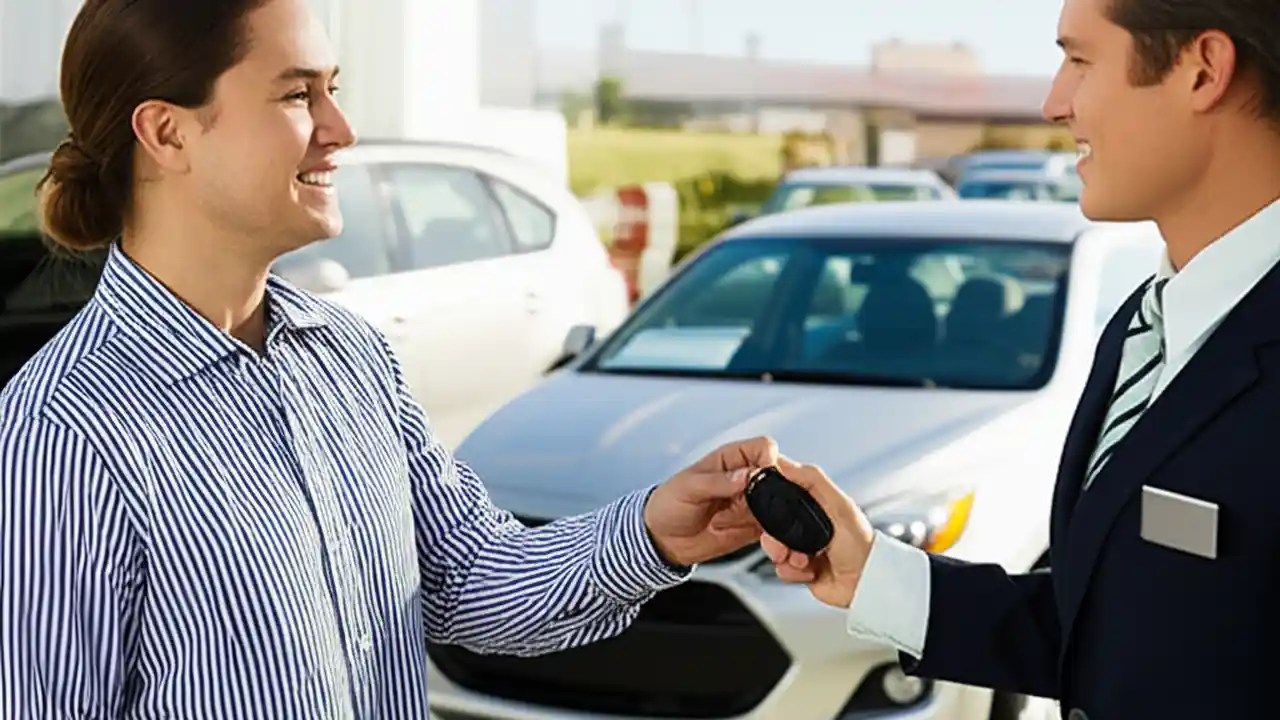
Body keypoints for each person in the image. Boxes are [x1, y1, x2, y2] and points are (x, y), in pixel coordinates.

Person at [0, 0, 778, 716]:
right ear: (168, 134)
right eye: (298, 94)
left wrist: (654, 533)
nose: (341, 128)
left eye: (333, 88)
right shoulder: (61, 432)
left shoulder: (353, 357)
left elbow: (472, 579)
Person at [759, 0, 1280, 718]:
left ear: (1202, 70)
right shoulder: (1143, 325)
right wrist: (873, 574)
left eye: (1080, 60)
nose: (1053, 103)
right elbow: (1118, 625)